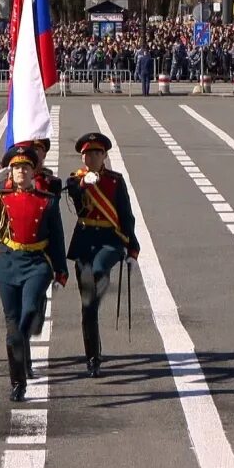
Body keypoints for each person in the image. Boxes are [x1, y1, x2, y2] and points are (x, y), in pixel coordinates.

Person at [0, 145, 68, 402]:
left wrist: (60, 270)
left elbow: (58, 238)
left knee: (28, 311)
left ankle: (31, 324)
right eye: (16, 167)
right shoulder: (0, 197)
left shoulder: (46, 200)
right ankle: (18, 382)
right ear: (11, 171)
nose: (21, 171)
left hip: (37, 263)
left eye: (26, 167)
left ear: (33, 172)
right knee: (13, 330)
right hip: (9, 263)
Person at [65, 133, 138, 378]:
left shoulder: (116, 181)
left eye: (97, 153)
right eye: (88, 153)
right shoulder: (75, 179)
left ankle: (102, 277)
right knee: (88, 307)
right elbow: (74, 193)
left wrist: (133, 250)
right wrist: (87, 181)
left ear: (104, 156)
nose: (92, 157)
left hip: (109, 241)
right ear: (82, 157)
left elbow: (126, 215)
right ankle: (93, 357)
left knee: (98, 270)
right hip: (85, 242)